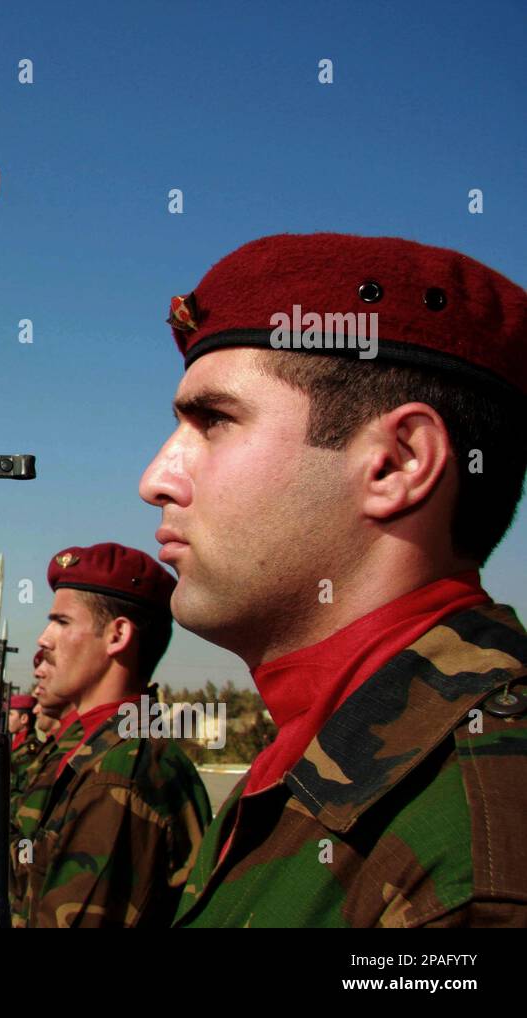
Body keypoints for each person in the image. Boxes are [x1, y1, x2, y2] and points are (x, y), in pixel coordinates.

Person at [140, 233, 527, 927]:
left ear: (396, 464)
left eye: (215, 421)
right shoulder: (314, 763)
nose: (156, 479)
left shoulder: (479, 855)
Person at [10, 543, 212, 928]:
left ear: (117, 635)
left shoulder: (117, 776)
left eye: (62, 622)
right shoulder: (98, 754)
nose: (43, 638)